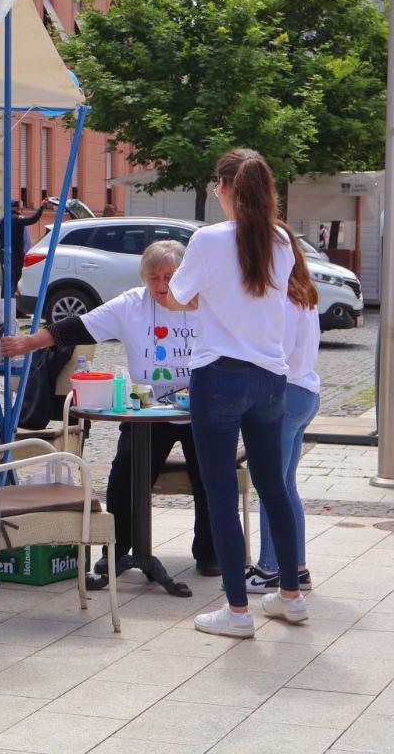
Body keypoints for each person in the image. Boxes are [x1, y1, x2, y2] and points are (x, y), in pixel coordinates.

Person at [1, 240, 218, 577]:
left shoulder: (205, 301)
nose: (162, 286)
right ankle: (117, 550)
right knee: (124, 475)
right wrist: (29, 343)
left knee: (209, 480)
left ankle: (210, 553)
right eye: (154, 277)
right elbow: (76, 326)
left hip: (201, 407)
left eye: (170, 277)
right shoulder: (132, 304)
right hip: (148, 407)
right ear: (144, 278)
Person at [163, 148, 307, 638]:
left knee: (222, 495)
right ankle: (290, 595)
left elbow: (178, 297)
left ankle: (238, 611)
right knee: (274, 490)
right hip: (271, 377)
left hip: (219, 375)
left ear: (224, 188)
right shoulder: (283, 240)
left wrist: (211, 296)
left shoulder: (206, 239)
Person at [245, 244, 321, 593]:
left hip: (285, 394)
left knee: (270, 487)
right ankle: (297, 566)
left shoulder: (284, 301)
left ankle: (271, 567)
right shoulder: (304, 294)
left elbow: (279, 354)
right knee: (286, 486)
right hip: (305, 392)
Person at [0, 200, 43, 293]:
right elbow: (33, 219)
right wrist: (41, 208)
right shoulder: (18, 219)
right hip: (15, 255)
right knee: (14, 279)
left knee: (6, 279)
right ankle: (11, 302)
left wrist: (0, 253)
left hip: (3, 254)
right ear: (17, 208)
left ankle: (4, 302)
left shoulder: (0, 222)